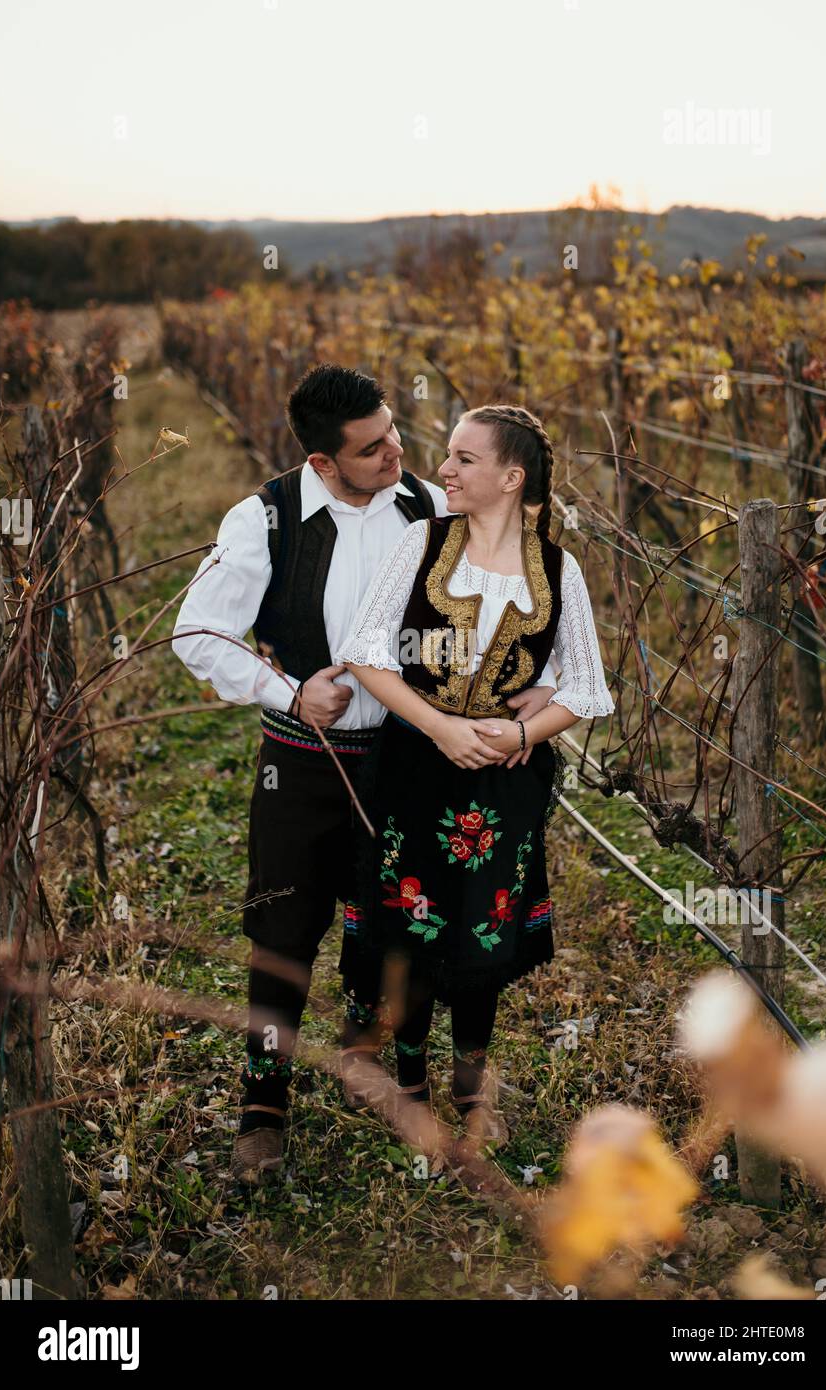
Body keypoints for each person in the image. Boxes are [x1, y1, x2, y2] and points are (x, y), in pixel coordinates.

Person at [170, 366, 554, 1184]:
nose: (397, 454)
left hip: (411, 761)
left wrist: (521, 688)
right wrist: (287, 687)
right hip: (303, 762)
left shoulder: (429, 506)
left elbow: (507, 592)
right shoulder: (266, 518)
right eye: (372, 448)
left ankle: (369, 1048)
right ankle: (262, 1106)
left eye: (393, 433)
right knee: (282, 933)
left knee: (397, 923)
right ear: (321, 463)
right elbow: (196, 633)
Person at [338, 403, 615, 1148]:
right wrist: (442, 728)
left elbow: (588, 687)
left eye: (463, 460)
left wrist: (524, 729)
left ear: (510, 477)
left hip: (501, 788)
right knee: (409, 924)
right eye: (449, 458)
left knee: (482, 929)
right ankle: (409, 1083)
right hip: (412, 770)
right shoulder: (421, 547)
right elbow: (367, 652)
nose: (444, 472)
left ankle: (470, 1081)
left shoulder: (559, 571)